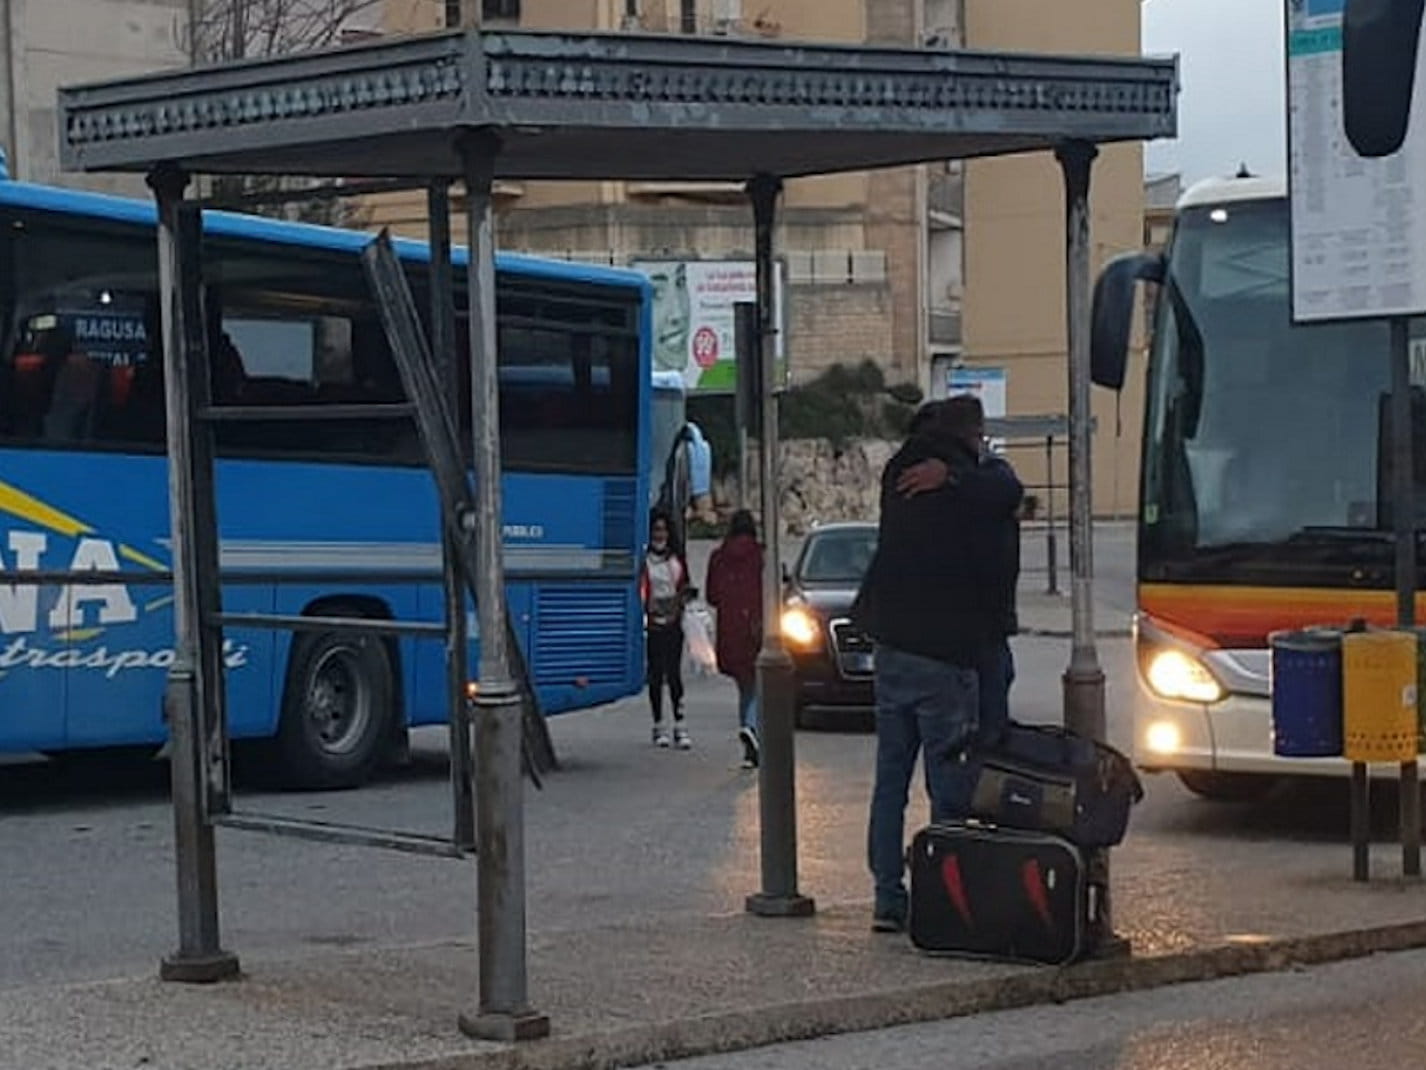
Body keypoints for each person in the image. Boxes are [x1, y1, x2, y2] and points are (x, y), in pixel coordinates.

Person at [851, 396, 1024, 933]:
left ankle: (886, 897)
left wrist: (950, 474)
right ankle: (944, 895)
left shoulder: (898, 475)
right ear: (974, 436)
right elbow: (1007, 491)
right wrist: (957, 477)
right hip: (945, 654)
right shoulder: (969, 489)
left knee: (890, 780)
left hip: (892, 650)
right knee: (948, 784)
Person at [706, 509, 764, 769]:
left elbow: (712, 596)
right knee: (760, 687)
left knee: (745, 688)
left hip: (729, 631)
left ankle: (750, 748)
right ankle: (751, 728)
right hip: (756, 629)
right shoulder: (760, 555)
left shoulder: (718, 557)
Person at [639, 509, 693, 750]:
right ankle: (658, 724)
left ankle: (680, 724)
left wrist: (683, 600)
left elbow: (685, 585)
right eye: (656, 530)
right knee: (655, 674)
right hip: (653, 623)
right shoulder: (644, 560)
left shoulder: (676, 559)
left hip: (674, 621)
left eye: (663, 530)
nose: (659, 535)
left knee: (674, 674)